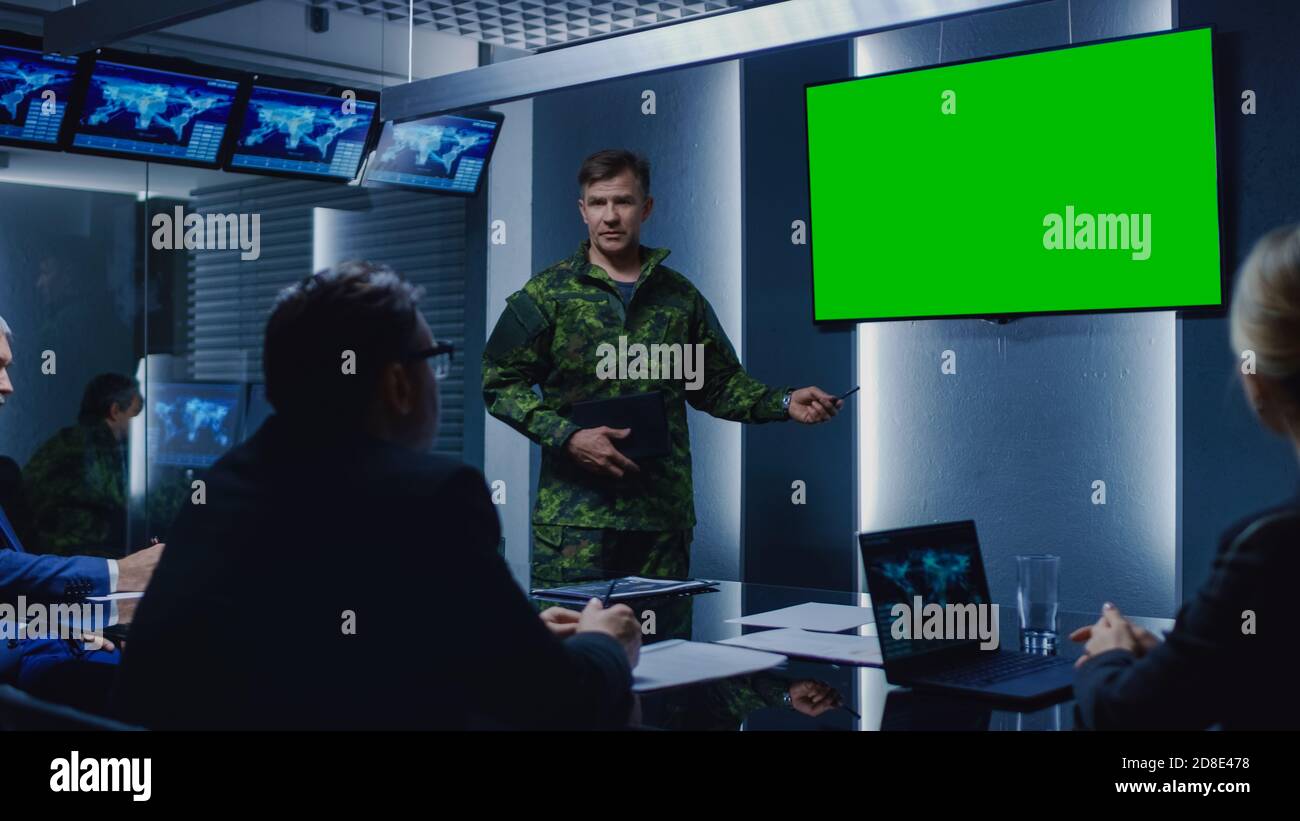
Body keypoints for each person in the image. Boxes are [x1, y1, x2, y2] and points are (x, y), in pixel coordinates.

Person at [113, 261, 642, 730]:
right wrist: (605, 643)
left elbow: (325, 655)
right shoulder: (432, 496)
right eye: (433, 360)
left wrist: (507, 642)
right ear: (398, 384)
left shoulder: (227, 483)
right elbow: (559, 705)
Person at [484, 149, 844, 588]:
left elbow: (717, 384)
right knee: (574, 650)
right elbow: (499, 382)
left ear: (646, 207)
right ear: (583, 211)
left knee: (666, 652)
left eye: (623, 201)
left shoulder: (679, 297)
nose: (611, 216)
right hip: (575, 524)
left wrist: (784, 401)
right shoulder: (548, 293)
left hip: (660, 525)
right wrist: (569, 437)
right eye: (598, 203)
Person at [1071, 225, 1300, 730]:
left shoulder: (1270, 549)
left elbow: (1123, 719)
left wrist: (1109, 657)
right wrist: (1181, 663)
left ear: (1255, 381)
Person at [0, 315, 163, 696]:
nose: (8, 387)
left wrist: (65, 621)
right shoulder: (88, 447)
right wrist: (121, 575)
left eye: (7, 368)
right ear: (114, 412)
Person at [25, 373, 142, 557]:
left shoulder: (74, 439)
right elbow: (127, 499)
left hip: (59, 547)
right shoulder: (92, 446)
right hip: (68, 551)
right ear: (115, 411)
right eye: (136, 413)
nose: (141, 423)